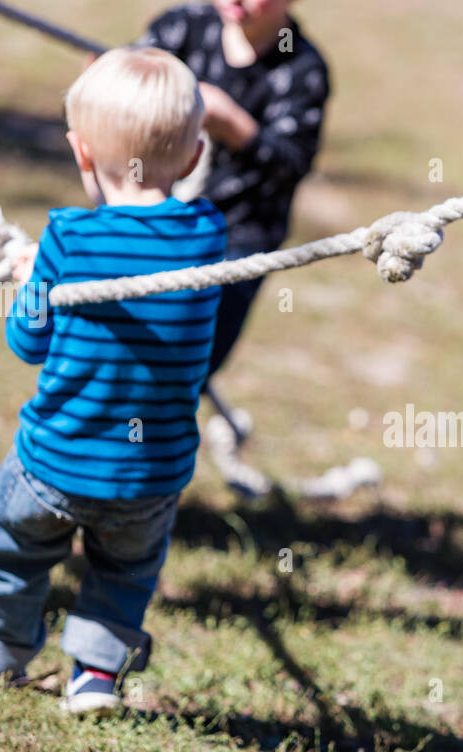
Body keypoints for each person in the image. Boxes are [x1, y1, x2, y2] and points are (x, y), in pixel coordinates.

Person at [0, 47, 229, 715]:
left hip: (54, 461)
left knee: (7, 545)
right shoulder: (207, 239)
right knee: (125, 571)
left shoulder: (69, 238)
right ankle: (95, 679)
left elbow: (28, 342)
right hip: (153, 474)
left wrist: (33, 276)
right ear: (194, 157)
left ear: (81, 154)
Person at [141, 0, 329, 493]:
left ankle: (148, 494)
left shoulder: (301, 68)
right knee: (128, 353)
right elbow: (123, 92)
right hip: (155, 222)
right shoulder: (183, 27)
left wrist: (234, 127)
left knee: (185, 368)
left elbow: (291, 162)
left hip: (238, 242)